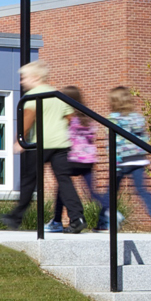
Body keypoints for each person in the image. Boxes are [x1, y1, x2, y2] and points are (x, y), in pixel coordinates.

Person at [0, 63, 80, 232]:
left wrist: (19, 140)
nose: (21, 81)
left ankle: (16, 217)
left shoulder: (32, 96)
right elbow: (71, 119)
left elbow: (27, 119)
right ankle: (77, 218)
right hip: (61, 143)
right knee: (64, 180)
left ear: (35, 77)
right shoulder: (58, 95)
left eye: (24, 77)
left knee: (29, 179)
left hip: (41, 143)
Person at [101, 85, 151, 234]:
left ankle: (107, 221)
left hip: (122, 160)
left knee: (110, 192)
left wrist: (113, 162)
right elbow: (144, 139)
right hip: (138, 159)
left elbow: (114, 143)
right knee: (142, 190)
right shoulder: (137, 118)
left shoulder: (113, 119)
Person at [55, 87, 98, 234]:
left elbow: (66, 137)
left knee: (62, 180)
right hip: (89, 159)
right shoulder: (87, 117)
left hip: (74, 158)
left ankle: (58, 220)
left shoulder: (69, 119)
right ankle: (109, 213)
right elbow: (92, 135)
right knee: (92, 193)